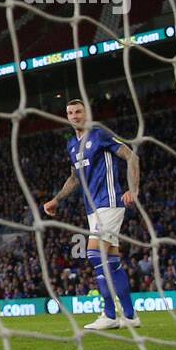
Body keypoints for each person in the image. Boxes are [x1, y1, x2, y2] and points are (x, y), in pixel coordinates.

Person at [43, 99, 141, 329]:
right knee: (112, 261)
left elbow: (131, 157)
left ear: (87, 113)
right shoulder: (71, 146)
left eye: (79, 111)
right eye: (70, 112)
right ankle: (130, 315)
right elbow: (75, 178)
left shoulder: (99, 135)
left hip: (109, 201)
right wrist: (57, 200)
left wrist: (133, 189)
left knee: (95, 254)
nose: (75, 115)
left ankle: (109, 314)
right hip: (92, 209)